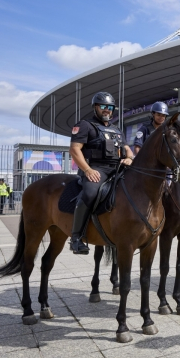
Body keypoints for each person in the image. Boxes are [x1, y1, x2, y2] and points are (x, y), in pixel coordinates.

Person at [69, 92, 135, 254]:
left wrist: (130, 159)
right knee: (90, 193)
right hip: (96, 169)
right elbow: (74, 149)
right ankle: (76, 238)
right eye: (104, 107)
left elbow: (128, 150)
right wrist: (87, 170)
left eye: (110, 107)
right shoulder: (85, 125)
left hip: (117, 169)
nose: (107, 110)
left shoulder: (116, 129)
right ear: (95, 107)